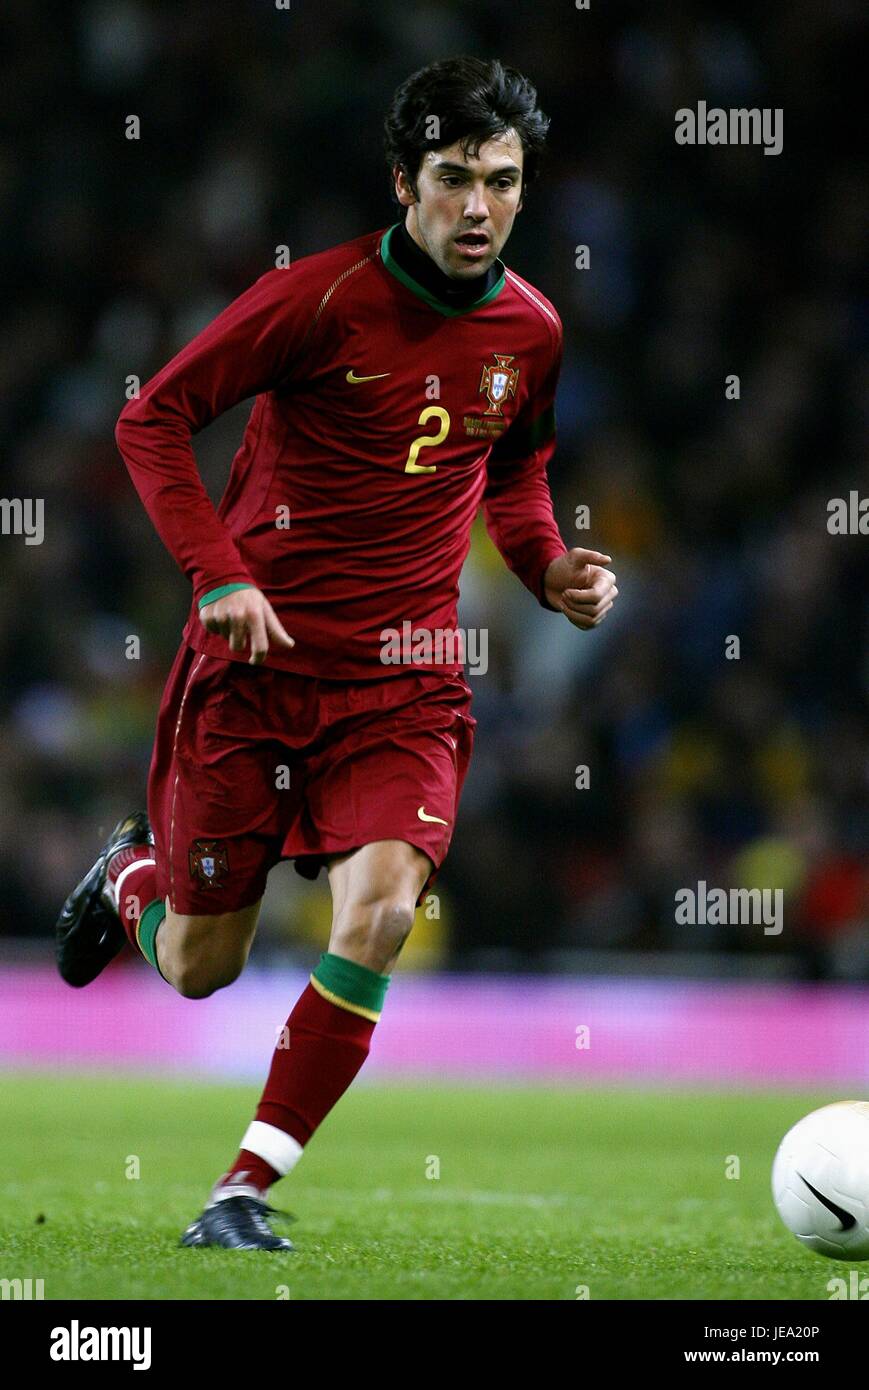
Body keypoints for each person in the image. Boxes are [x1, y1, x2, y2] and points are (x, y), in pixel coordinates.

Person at [55, 55, 618, 1251]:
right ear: (403, 181)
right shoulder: (317, 300)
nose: (479, 207)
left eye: (503, 183)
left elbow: (512, 470)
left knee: (378, 914)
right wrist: (217, 573)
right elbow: (149, 415)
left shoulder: (533, 328)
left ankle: (238, 1190)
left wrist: (546, 566)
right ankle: (129, 877)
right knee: (204, 965)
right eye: (456, 178)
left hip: (404, 680)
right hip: (254, 679)